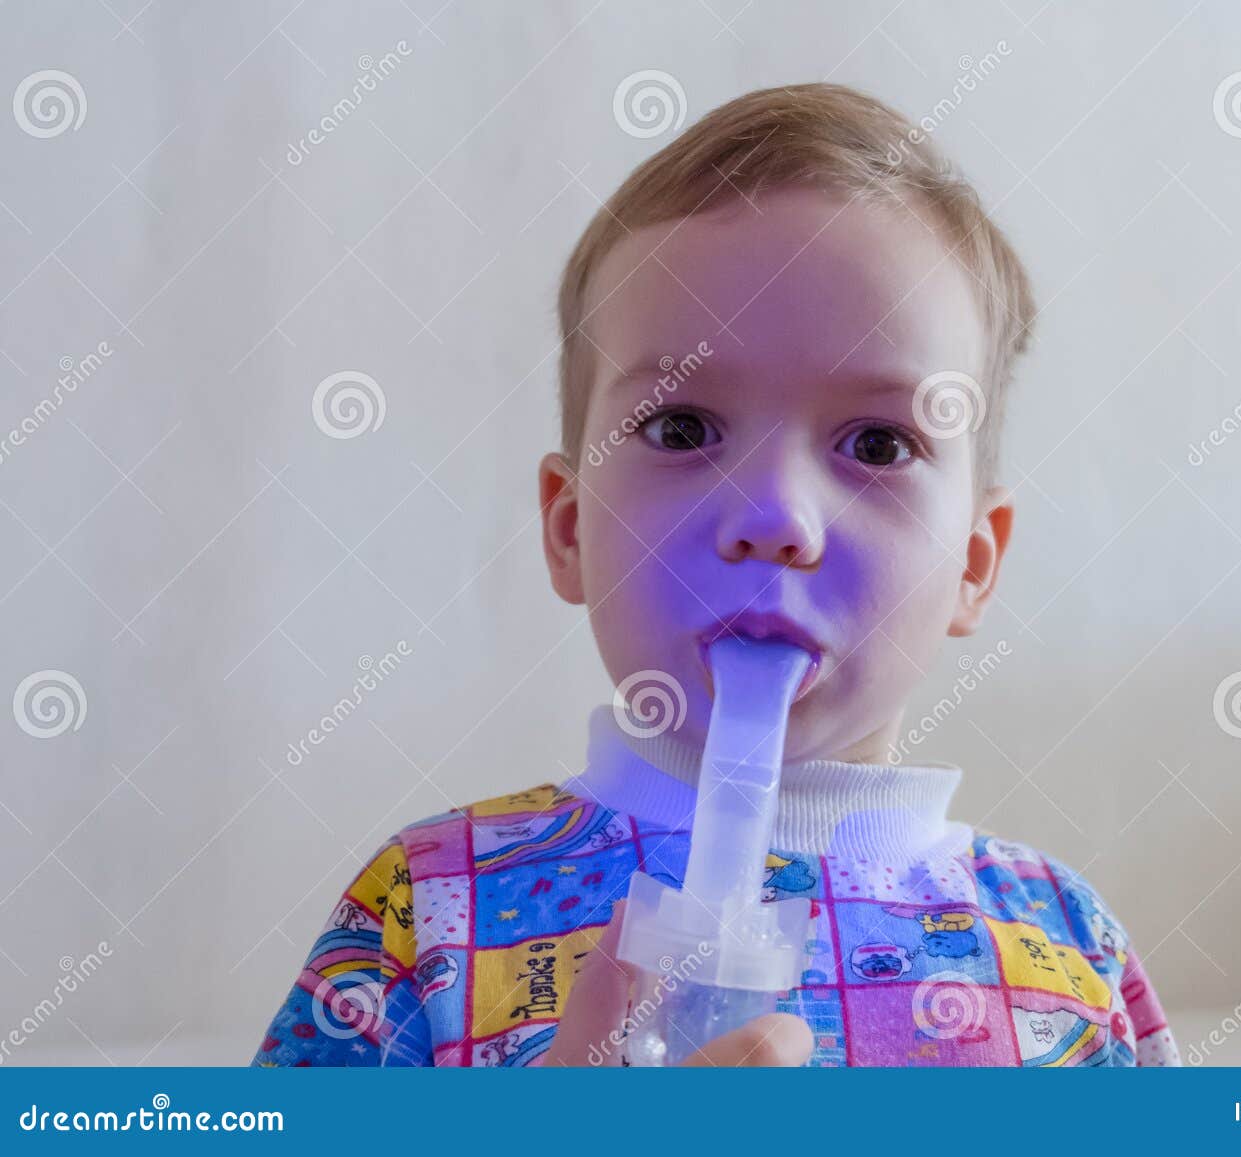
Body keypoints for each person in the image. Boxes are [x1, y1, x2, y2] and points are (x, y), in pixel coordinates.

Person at [251, 82, 1180, 1068]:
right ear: (569, 529)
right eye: (682, 427)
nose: (774, 515)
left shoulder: (1066, 949)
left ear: (973, 564)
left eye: (876, 441)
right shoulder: (429, 907)